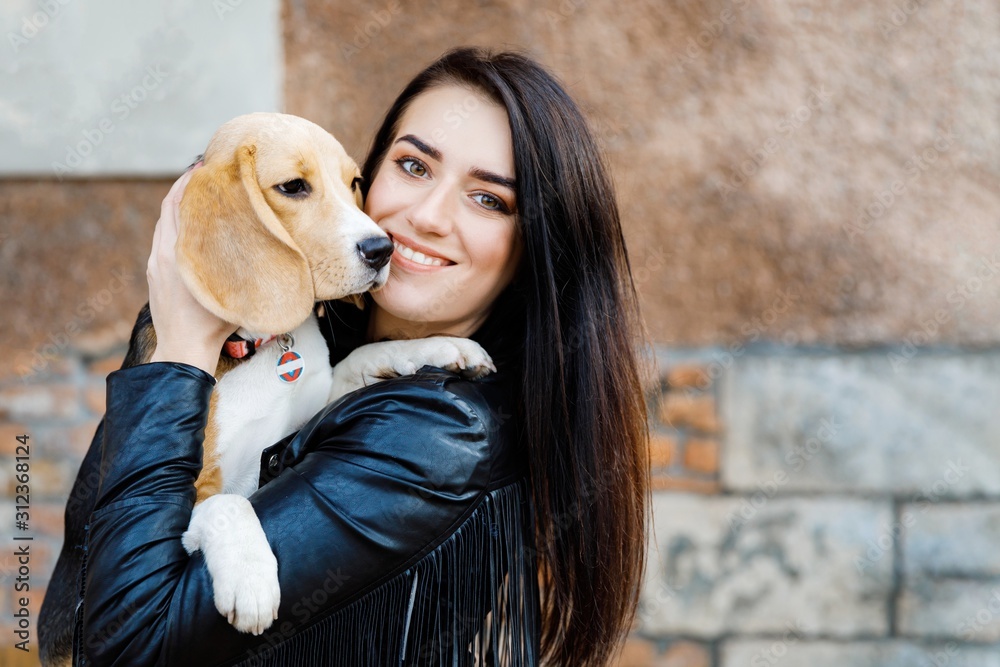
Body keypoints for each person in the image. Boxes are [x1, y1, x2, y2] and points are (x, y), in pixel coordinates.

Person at [75, 47, 649, 666]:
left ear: (534, 248)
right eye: (413, 165)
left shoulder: (437, 436)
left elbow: (120, 648)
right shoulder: (302, 343)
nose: (425, 216)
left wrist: (179, 352)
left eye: (489, 199)